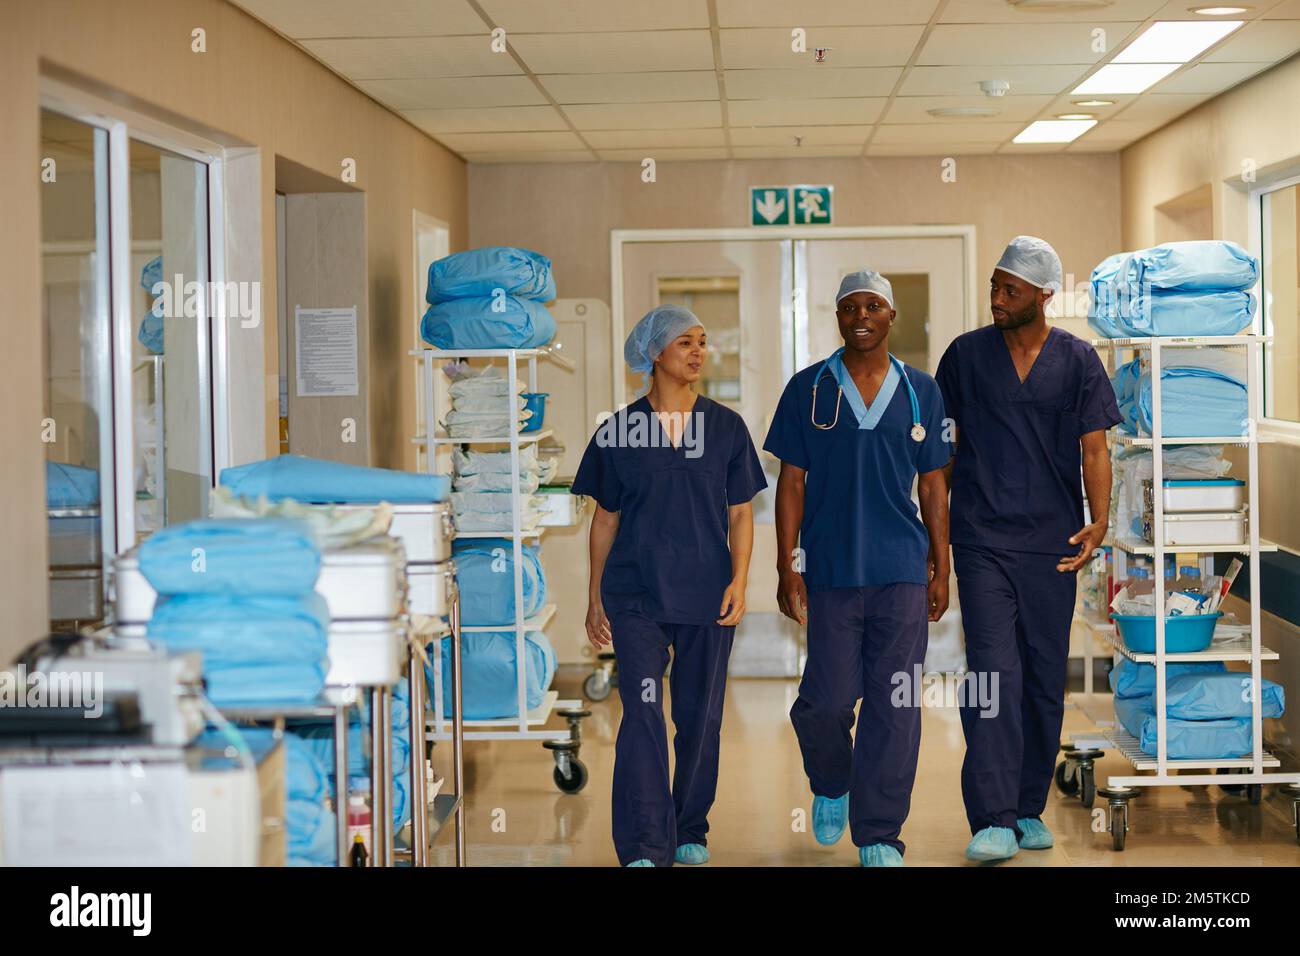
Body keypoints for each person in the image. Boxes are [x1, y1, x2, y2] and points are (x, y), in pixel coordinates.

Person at [935, 236, 1121, 862]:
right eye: (993, 286)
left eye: (1009, 289)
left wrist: (1100, 522)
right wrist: (938, 536)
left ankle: (1026, 808)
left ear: (1044, 295)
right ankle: (990, 816)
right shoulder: (964, 357)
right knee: (993, 673)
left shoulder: (1077, 360)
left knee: (1043, 677)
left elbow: (1095, 448)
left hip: (1053, 542)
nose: (996, 299)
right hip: (982, 539)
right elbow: (942, 453)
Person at [764, 271, 951, 867]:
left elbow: (934, 484)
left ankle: (878, 833)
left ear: (891, 315)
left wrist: (941, 566)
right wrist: (787, 564)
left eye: (873, 306)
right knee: (826, 700)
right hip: (831, 568)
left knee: (894, 705)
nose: (861, 315)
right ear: (837, 316)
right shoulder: (808, 389)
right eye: (850, 307)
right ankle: (830, 782)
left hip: (900, 566)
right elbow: (790, 483)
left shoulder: (922, 391)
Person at [571, 304, 766, 868]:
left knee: (700, 716)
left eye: (703, 342)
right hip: (636, 595)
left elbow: (741, 515)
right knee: (643, 709)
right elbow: (604, 518)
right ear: (654, 353)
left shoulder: (724, 427)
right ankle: (643, 844)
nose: (699, 352)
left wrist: (739, 580)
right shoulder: (619, 430)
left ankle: (689, 825)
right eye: (685, 343)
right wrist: (594, 595)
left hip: (707, 592)